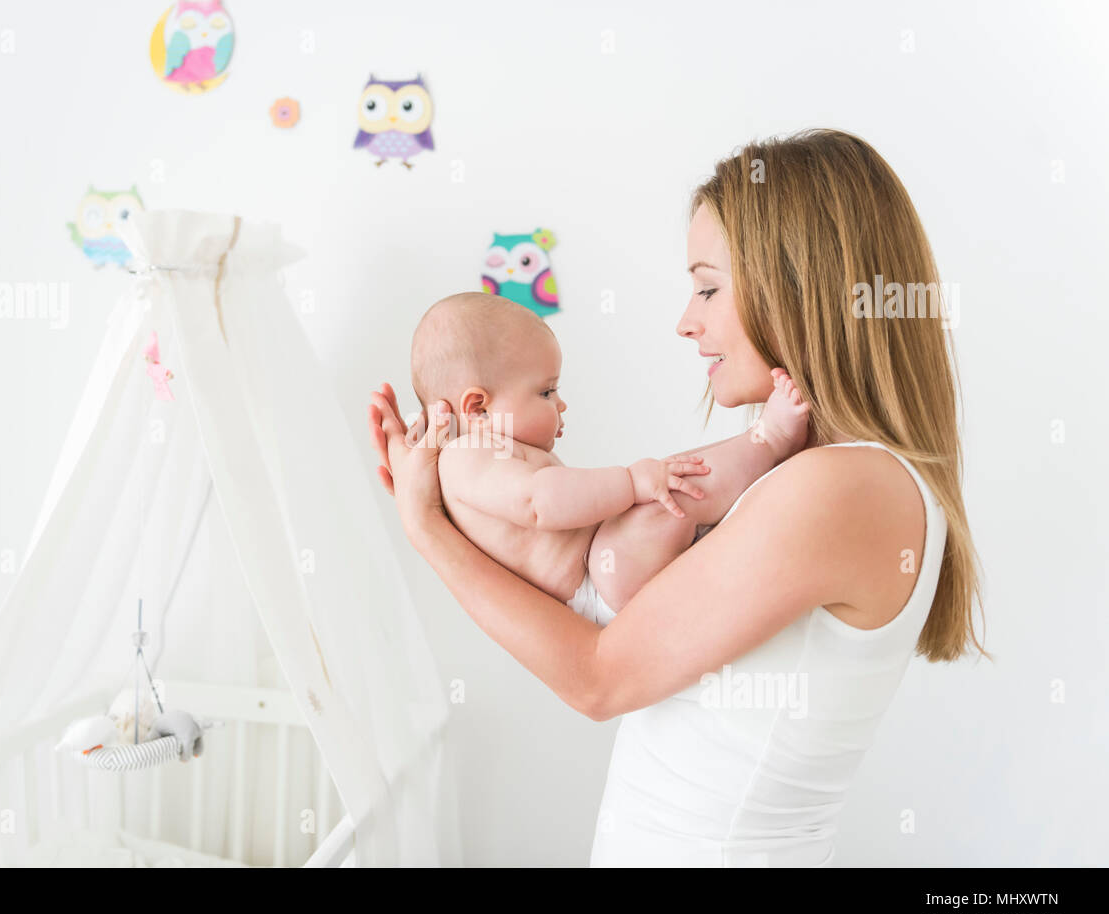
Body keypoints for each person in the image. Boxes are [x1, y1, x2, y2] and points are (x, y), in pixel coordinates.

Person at [369, 129, 986, 866]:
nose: (686, 320)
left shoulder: (843, 486)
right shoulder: (832, 475)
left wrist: (428, 526)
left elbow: (599, 675)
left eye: (707, 286)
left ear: (798, 286)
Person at [408, 290, 810, 623]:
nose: (560, 404)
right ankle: (770, 439)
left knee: (670, 474)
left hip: (611, 562)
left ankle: (756, 447)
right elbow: (538, 503)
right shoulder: (465, 455)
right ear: (477, 408)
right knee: (666, 487)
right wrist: (631, 482)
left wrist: (641, 481)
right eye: (546, 392)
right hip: (600, 578)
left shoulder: (482, 452)